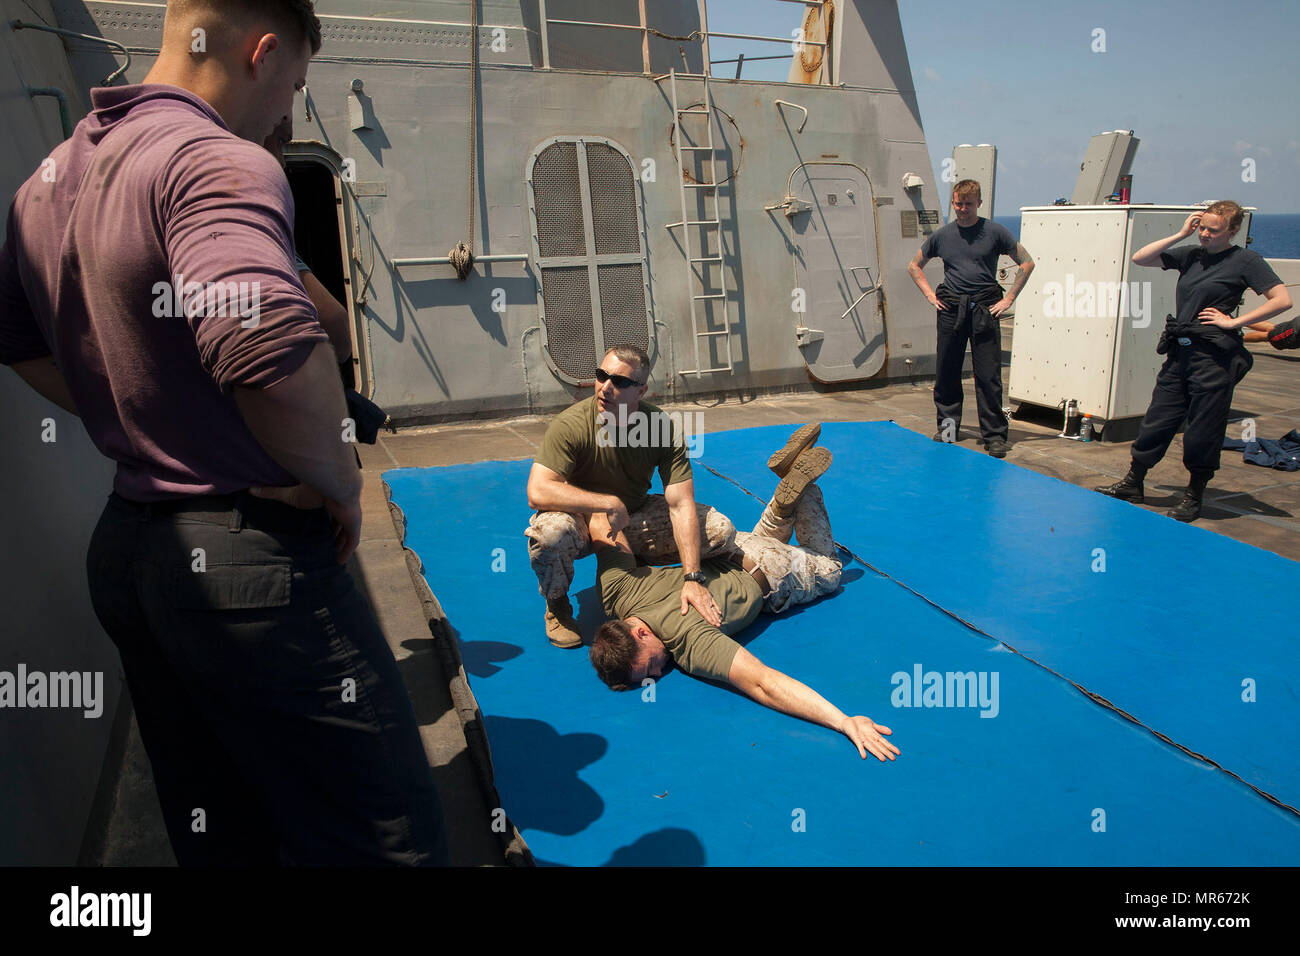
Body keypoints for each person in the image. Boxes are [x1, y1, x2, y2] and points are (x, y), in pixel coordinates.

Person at [0, 0, 448, 865]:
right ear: (263, 51)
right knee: (387, 836)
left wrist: (138, 417)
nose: (286, 111)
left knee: (223, 827)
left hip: (131, 551)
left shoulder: (48, 179)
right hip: (250, 568)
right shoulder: (210, 159)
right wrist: (337, 479)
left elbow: (20, 346)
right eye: (292, 84)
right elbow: (266, 344)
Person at [588, 435, 900, 762]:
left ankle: (801, 487)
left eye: (651, 664)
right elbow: (601, 518)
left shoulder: (686, 643)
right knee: (761, 541)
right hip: (735, 546)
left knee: (831, 569)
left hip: (775, 575)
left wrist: (843, 721)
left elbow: (763, 683)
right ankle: (781, 502)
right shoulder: (616, 592)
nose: (660, 669)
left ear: (640, 633)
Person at [525, 344, 751, 649]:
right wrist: (606, 503)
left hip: (632, 518)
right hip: (580, 518)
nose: (605, 387)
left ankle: (643, 558)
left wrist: (692, 577)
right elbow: (538, 491)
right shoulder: (572, 425)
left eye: (619, 382)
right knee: (549, 535)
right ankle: (557, 605)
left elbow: (680, 504)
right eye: (601, 375)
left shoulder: (660, 428)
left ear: (640, 391)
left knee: (719, 531)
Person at [1095, 201, 1292, 522]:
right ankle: (1134, 482)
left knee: (1203, 429)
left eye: (1213, 231)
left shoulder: (1245, 260)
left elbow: (1282, 300)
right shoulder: (1192, 255)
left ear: (1232, 231)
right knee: (1158, 419)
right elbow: (1140, 258)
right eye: (1202, 227)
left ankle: (1194, 494)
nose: (1205, 234)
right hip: (1180, 353)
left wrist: (1234, 323)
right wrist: (1181, 233)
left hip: (1214, 358)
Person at [907, 179, 1035, 458]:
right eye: (957, 204)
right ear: (952, 203)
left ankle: (995, 436)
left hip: (985, 310)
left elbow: (1027, 263)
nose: (962, 209)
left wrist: (1009, 298)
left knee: (988, 375)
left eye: (967, 204)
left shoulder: (995, 232)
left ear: (978, 203)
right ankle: (949, 428)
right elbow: (914, 266)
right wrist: (931, 296)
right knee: (947, 371)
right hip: (951, 309)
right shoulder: (942, 236)